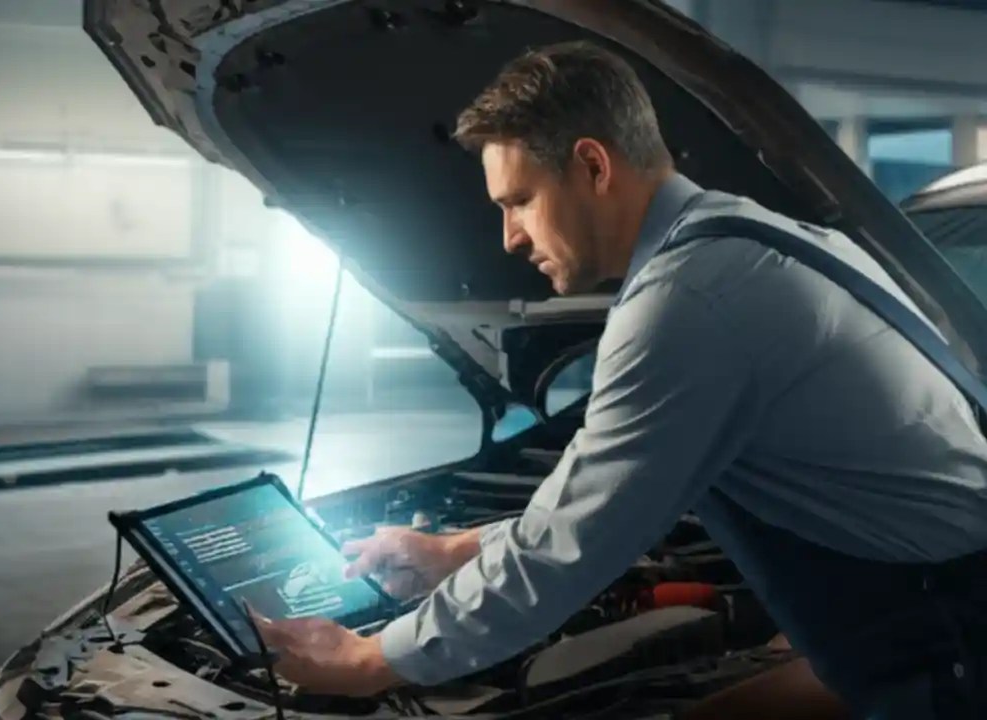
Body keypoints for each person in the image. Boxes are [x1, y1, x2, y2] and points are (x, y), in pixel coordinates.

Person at [252, 41, 987, 717]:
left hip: (950, 637)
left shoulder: (690, 300)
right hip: (931, 606)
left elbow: (568, 543)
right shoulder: (753, 239)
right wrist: (459, 551)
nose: (509, 237)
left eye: (518, 202)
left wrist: (375, 659)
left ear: (593, 166)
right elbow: (617, 486)